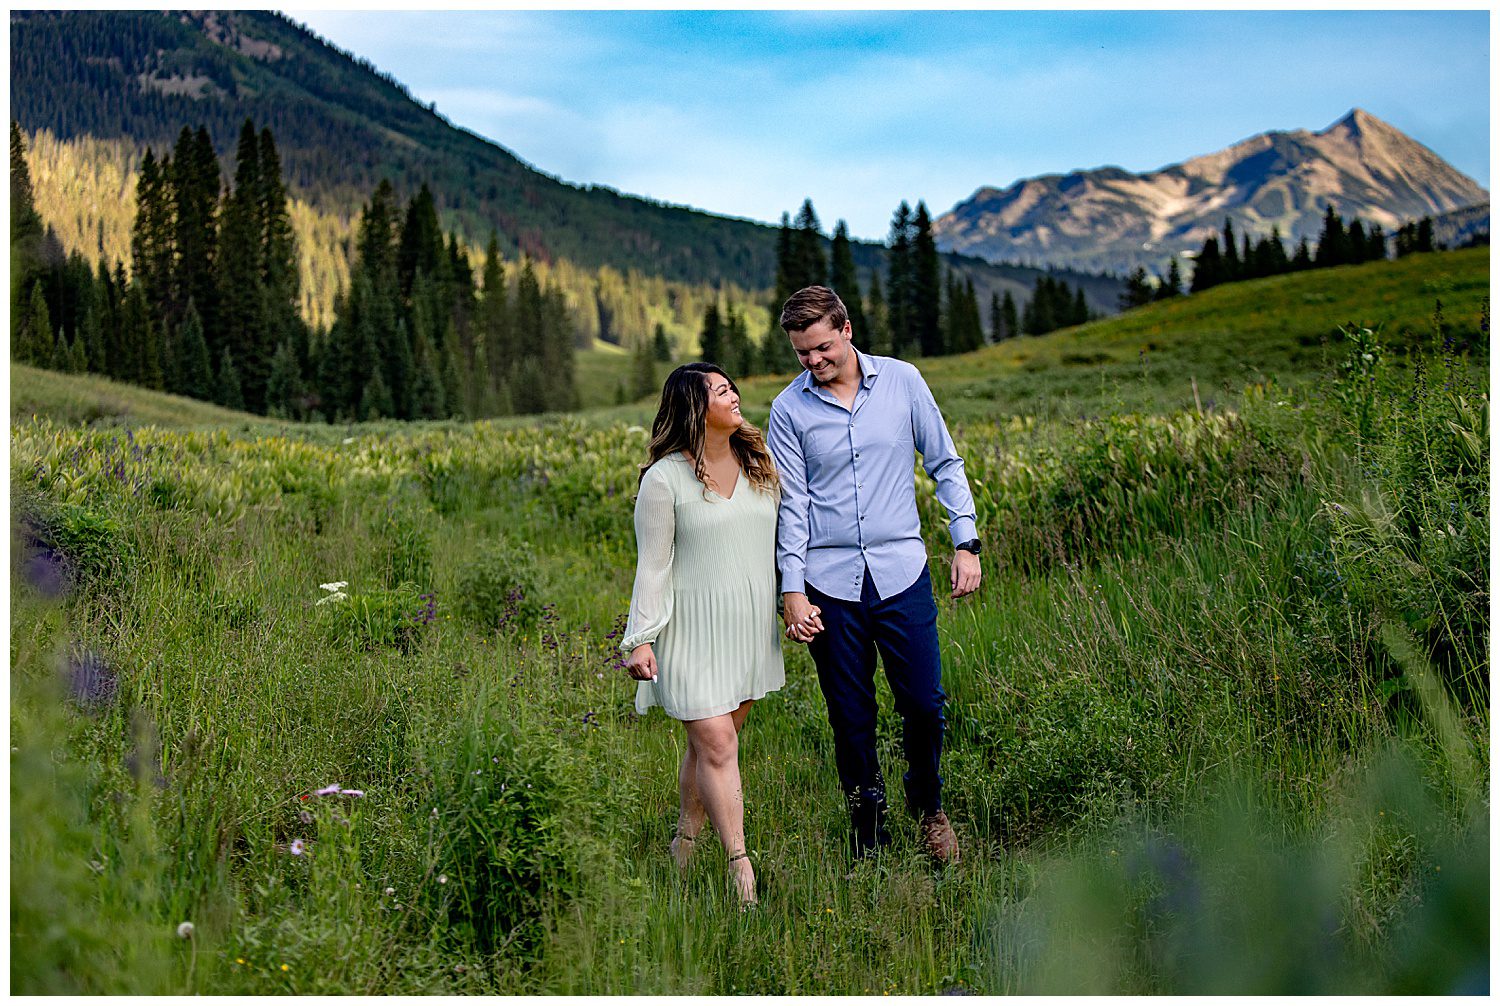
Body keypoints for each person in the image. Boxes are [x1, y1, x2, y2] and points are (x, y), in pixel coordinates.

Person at [767, 285, 980, 864]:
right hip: (828, 584)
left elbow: (944, 461)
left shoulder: (903, 381)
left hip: (902, 573)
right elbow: (793, 506)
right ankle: (868, 831)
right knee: (851, 717)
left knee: (925, 703)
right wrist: (791, 590)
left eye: (821, 347)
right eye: (801, 353)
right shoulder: (789, 410)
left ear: (847, 329)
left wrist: (967, 540)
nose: (813, 361)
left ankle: (929, 807)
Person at [621, 362, 790, 905]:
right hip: (689, 632)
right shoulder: (664, 479)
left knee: (709, 746)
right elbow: (653, 565)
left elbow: (785, 540)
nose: (734, 395)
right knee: (717, 744)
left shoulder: (759, 462)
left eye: (731, 386)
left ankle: (684, 843)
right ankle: (741, 866)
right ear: (695, 408)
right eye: (720, 391)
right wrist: (639, 638)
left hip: (747, 630)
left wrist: (796, 598)